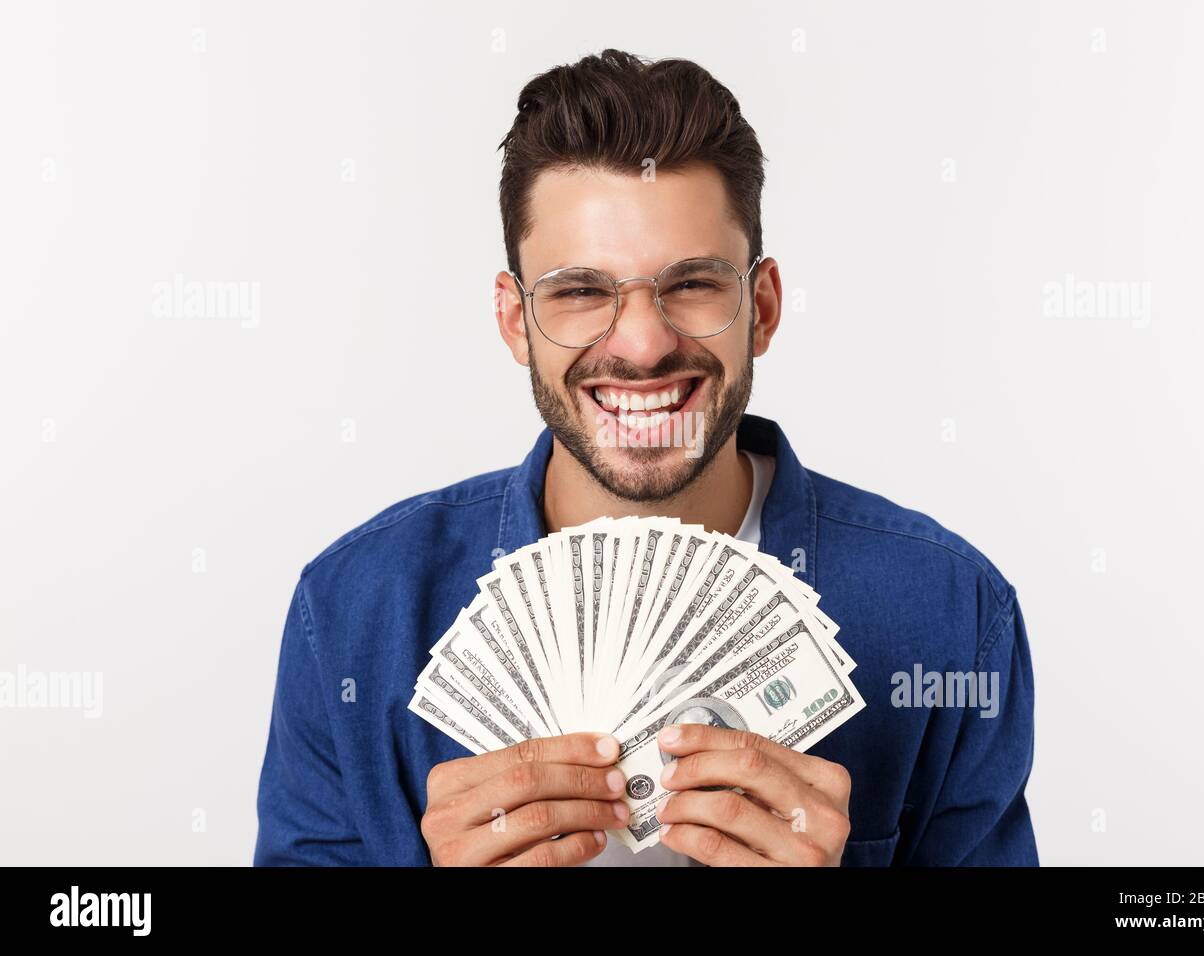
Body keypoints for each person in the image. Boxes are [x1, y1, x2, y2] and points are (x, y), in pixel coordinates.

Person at [254, 49, 1038, 867]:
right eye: (580, 290)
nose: (642, 344)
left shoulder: (952, 615)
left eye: (693, 283)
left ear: (760, 306)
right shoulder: (350, 614)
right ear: (516, 320)